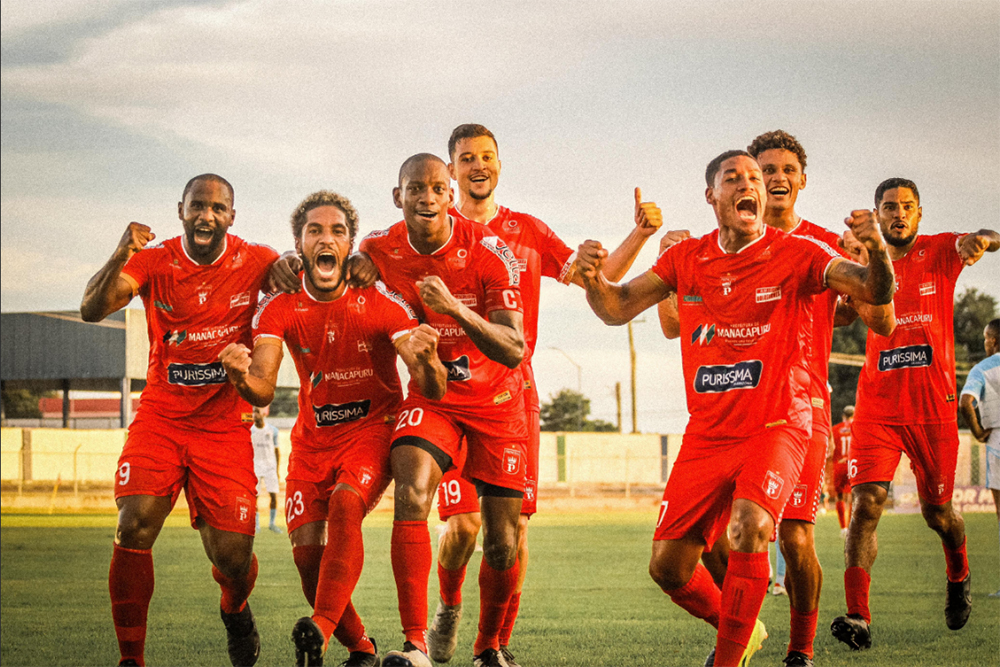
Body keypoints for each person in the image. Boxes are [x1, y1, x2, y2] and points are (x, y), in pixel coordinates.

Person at [577, 150, 895, 667]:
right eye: (736, 178)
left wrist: (877, 250)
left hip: (782, 423)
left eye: (757, 178)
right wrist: (593, 283)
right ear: (712, 196)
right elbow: (617, 308)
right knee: (668, 567)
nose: (754, 185)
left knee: (761, 529)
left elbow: (873, 292)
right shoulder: (687, 258)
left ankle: (788, 651)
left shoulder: (801, 252)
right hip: (707, 433)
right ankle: (743, 631)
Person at [424, 123, 660, 667]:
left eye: (487, 156)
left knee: (512, 534)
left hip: (512, 396)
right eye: (466, 158)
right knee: (461, 527)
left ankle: (492, 647)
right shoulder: (438, 230)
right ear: (452, 169)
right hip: (452, 394)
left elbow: (598, 279)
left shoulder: (527, 230)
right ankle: (449, 608)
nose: (477, 166)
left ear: (499, 166)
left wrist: (639, 235)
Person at [219, 190, 448, 667]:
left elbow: (429, 382)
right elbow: (262, 386)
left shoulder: (381, 299)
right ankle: (361, 649)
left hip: (373, 428)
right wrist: (242, 377)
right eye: (315, 231)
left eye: (338, 231)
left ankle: (320, 627)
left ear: (351, 245)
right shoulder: (277, 306)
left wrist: (426, 360)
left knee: (346, 501)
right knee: (307, 559)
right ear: (299, 244)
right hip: (311, 441)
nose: (327, 238)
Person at [80, 174, 281, 667]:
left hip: (223, 426)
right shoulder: (154, 260)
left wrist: (296, 265)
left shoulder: (259, 260)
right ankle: (132, 660)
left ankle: (234, 607)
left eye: (217, 208)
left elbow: (297, 282)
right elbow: (91, 308)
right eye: (197, 206)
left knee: (232, 560)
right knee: (133, 526)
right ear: (180, 210)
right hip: (161, 419)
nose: (206, 216)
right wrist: (120, 252)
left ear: (232, 216)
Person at [359, 154, 530, 667]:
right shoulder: (378, 249)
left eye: (437, 188)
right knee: (411, 490)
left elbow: (514, 347)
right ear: (399, 197)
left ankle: (489, 649)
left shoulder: (490, 250)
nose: (427, 197)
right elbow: (335, 257)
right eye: (415, 189)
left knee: (502, 543)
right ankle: (415, 646)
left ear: (450, 195)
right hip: (433, 397)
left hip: (499, 404)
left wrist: (455, 308)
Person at [831, 179, 1000, 651]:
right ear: (877, 214)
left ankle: (958, 572)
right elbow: (838, 312)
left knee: (939, 514)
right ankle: (858, 615)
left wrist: (983, 240)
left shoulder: (940, 251)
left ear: (920, 214)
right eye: (889, 207)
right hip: (877, 409)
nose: (898, 214)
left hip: (933, 411)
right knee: (865, 505)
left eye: (906, 206)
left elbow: (988, 234)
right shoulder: (862, 262)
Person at [958, 318, 1000, 597]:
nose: (984, 343)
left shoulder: (983, 368)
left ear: (993, 340)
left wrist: (976, 431)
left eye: (986, 338)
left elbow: (966, 401)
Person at [251, 406, 282, 534]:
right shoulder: (249, 430)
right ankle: (256, 525)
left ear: (263, 414)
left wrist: (277, 470)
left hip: (270, 467)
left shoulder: (273, 430)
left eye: (256, 412)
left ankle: (272, 523)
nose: (254, 415)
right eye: (253, 412)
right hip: (256, 466)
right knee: (255, 496)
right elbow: (240, 418)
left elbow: (276, 451)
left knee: (273, 495)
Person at [829, 406, 856, 537]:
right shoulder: (857, 427)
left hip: (839, 465)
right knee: (853, 497)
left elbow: (831, 447)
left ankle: (843, 528)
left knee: (839, 496)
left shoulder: (835, 429)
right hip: (852, 464)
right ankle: (851, 527)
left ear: (843, 416)